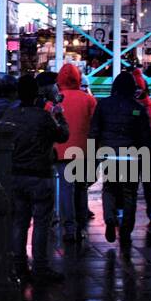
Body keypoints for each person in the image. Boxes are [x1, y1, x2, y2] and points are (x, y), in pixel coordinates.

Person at [2, 73, 68, 285]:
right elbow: (63, 135)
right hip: (40, 175)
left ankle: (18, 265)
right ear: (36, 93)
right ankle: (40, 266)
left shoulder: (9, 115)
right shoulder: (43, 117)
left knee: (19, 222)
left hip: (16, 175)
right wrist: (59, 114)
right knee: (41, 223)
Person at [89, 70, 151, 250]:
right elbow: (145, 137)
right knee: (129, 193)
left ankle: (110, 219)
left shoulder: (103, 105)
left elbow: (94, 132)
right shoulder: (137, 108)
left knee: (109, 188)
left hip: (109, 154)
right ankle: (126, 229)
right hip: (131, 157)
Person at [55, 62, 97, 243]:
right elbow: (95, 126)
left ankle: (69, 228)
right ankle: (81, 227)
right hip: (83, 151)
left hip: (61, 151)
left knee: (65, 189)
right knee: (81, 189)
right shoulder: (88, 100)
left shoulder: (57, 100)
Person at [130, 66, 151, 224]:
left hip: (142, 147)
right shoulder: (146, 104)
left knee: (143, 182)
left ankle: (150, 210)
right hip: (142, 147)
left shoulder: (146, 105)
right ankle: (149, 211)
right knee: (142, 182)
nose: (137, 91)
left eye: (139, 89)